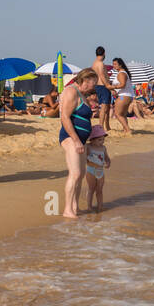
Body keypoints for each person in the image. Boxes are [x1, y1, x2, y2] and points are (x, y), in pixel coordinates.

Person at [58, 68, 99, 218]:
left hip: (81, 139)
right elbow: (65, 117)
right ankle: (67, 210)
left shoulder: (82, 94)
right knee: (75, 173)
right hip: (70, 137)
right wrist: (76, 140)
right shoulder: (71, 91)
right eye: (93, 82)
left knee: (80, 175)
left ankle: (75, 207)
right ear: (85, 80)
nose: (94, 86)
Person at [84, 126, 111, 211]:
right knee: (91, 189)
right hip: (91, 170)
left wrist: (108, 162)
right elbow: (85, 158)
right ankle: (89, 206)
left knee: (99, 190)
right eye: (99, 140)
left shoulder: (103, 148)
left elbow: (107, 158)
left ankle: (100, 206)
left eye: (103, 140)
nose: (102, 142)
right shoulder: (88, 147)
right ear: (92, 139)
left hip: (100, 171)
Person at [109, 58, 136, 134]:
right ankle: (125, 129)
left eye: (115, 64)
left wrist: (112, 87)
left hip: (123, 96)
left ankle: (127, 129)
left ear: (120, 65)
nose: (113, 66)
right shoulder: (123, 73)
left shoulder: (121, 73)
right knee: (123, 114)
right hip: (126, 96)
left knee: (118, 114)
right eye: (113, 64)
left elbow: (122, 85)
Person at [92, 47, 112, 131]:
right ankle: (101, 126)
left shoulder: (94, 63)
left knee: (107, 107)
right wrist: (107, 85)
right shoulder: (100, 63)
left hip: (99, 86)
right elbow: (101, 75)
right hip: (102, 86)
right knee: (104, 107)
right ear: (104, 53)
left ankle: (107, 126)